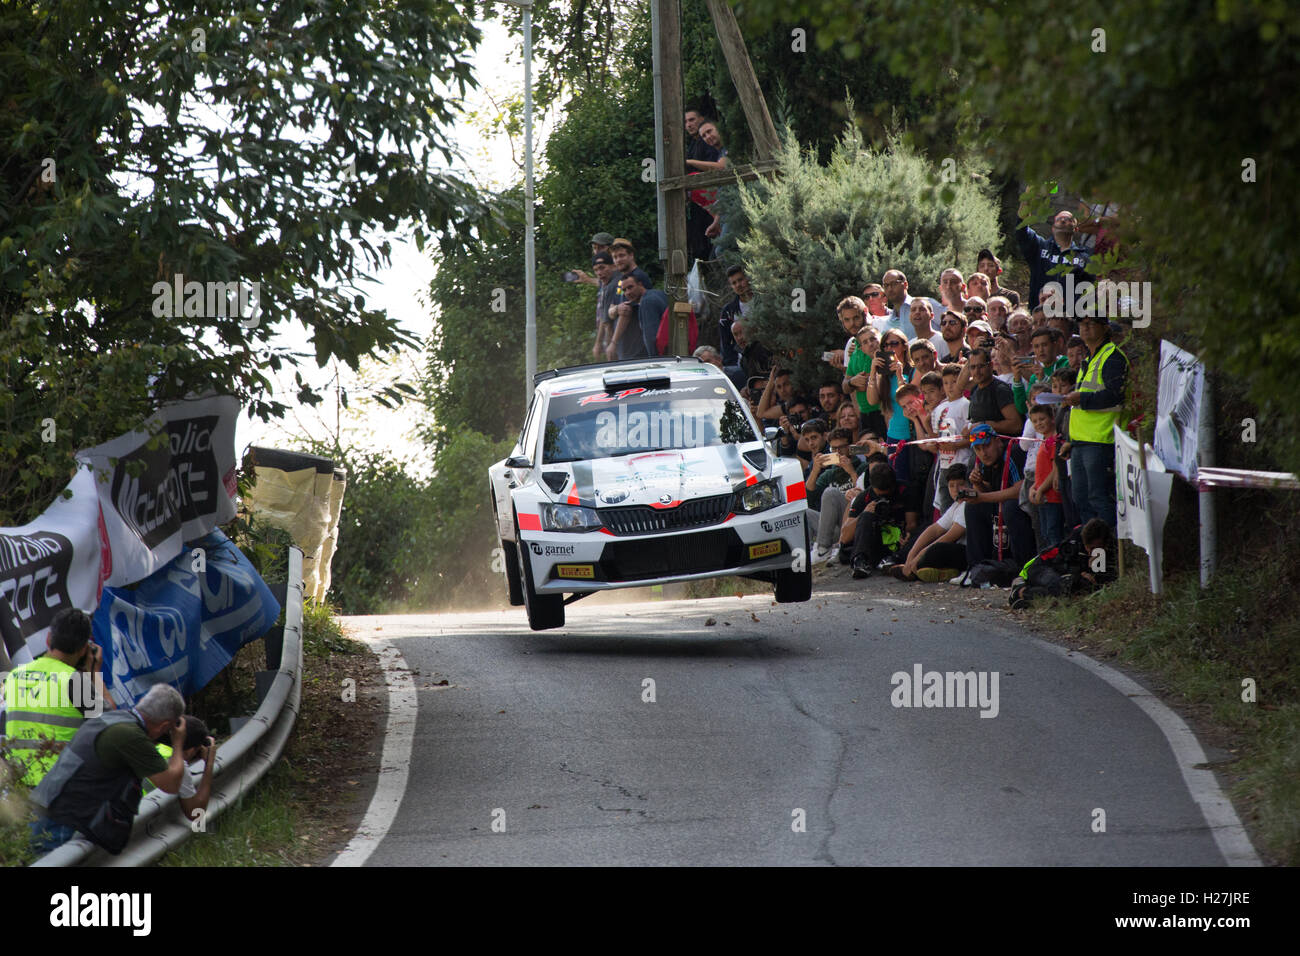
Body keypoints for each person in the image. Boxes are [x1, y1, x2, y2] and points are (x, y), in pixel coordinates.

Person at [28, 684, 189, 855]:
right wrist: (178, 742)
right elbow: (171, 784)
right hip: (65, 822)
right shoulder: (130, 735)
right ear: (164, 726)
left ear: (143, 702)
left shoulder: (113, 719)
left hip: (45, 810)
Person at [2, 608, 115, 788]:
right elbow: (115, 726)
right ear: (84, 649)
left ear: (48, 639)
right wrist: (94, 672)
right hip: (61, 788)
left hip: (21, 786)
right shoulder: (73, 681)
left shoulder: (14, 676)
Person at [1061, 313, 1129, 528]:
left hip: (1101, 440)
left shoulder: (1113, 357)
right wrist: (1071, 440)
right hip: (1082, 441)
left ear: (1105, 327)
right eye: (1082, 324)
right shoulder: (1089, 359)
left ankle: (1107, 553)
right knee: (1081, 499)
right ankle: (1094, 552)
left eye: (1091, 323)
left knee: (1098, 499)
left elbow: (1116, 395)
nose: (1085, 327)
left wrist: (1083, 398)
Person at [960, 424, 1035, 575]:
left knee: (1011, 507)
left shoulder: (1012, 453)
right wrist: (978, 484)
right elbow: (989, 491)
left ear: (998, 442)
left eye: (986, 446)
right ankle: (977, 568)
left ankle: (1023, 567)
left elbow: (1019, 491)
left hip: (1024, 509)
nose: (983, 453)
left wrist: (982, 497)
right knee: (973, 508)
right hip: (999, 507)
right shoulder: (983, 460)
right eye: (978, 449)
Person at [1009, 519, 1116, 609]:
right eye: (1087, 547)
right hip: (1040, 566)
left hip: (1056, 572)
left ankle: (1032, 599)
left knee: (1080, 588)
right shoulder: (1073, 544)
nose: (1089, 551)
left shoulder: (1110, 547)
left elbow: (1100, 579)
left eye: (1093, 548)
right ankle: (1021, 591)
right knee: (1064, 585)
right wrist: (1080, 574)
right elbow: (1061, 566)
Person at [891, 463, 973, 582]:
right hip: (957, 549)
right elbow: (934, 529)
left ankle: (916, 569)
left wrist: (919, 556)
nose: (956, 490)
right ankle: (918, 568)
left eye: (961, 485)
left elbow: (951, 535)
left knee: (936, 550)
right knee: (920, 538)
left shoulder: (968, 504)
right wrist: (911, 555)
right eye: (951, 486)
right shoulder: (956, 505)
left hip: (968, 552)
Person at [1016, 204, 1093, 308]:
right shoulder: (1039, 247)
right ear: (1053, 227)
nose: (1063, 221)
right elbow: (1021, 226)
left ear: (1076, 229)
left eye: (1069, 220)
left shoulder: (1085, 255)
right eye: (1060, 219)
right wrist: (1029, 196)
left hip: (1070, 318)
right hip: (1040, 314)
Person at [146, 715, 216, 825]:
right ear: (190, 751)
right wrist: (209, 764)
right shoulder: (178, 766)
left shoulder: (145, 745)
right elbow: (196, 814)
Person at [807, 428, 863, 562]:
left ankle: (823, 548)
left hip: (853, 524)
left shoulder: (861, 466)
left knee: (830, 492)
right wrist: (815, 470)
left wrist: (851, 472)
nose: (838, 453)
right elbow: (809, 498)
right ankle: (807, 552)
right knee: (803, 512)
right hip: (832, 527)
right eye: (834, 449)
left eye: (841, 448)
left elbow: (863, 497)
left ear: (850, 447)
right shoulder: (829, 474)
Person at [849, 463, 908, 578]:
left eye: (887, 495)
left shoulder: (905, 491)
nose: (884, 499)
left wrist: (906, 535)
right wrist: (864, 513)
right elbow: (844, 537)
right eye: (879, 495)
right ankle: (860, 562)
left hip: (897, 544)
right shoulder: (864, 497)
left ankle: (893, 559)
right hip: (874, 544)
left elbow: (912, 523)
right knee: (865, 516)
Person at [932, 364, 972, 514]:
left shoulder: (966, 404)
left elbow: (971, 437)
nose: (950, 386)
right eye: (946, 382)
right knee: (946, 507)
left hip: (962, 463)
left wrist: (955, 446)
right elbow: (937, 435)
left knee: (962, 505)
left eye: (954, 381)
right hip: (944, 465)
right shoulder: (940, 408)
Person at [1026, 403, 1064, 549]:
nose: (1038, 423)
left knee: (1054, 535)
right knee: (1046, 534)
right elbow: (1041, 472)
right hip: (1043, 497)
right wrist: (1034, 488)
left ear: (1052, 418)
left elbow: (1055, 470)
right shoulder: (1045, 441)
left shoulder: (1054, 441)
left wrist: (1040, 489)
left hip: (1052, 497)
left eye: (1042, 419)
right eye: (1034, 421)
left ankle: (1058, 566)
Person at [963, 347, 1022, 436]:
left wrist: (986, 425)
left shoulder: (1000, 390)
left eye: (981, 366)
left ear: (990, 366)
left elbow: (1017, 425)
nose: (977, 371)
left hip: (1001, 447)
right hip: (979, 446)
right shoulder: (975, 389)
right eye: (973, 367)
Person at [1011, 327, 1069, 415]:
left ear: (1054, 345)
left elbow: (1061, 398)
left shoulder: (1066, 365)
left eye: (1044, 345)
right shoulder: (1035, 377)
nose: (1041, 350)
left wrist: (1043, 379)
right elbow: (1022, 408)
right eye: (1036, 346)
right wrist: (1017, 379)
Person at [613, 268, 668, 359]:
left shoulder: (647, 302)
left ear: (640, 284)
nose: (628, 293)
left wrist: (654, 361)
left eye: (630, 287)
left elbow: (651, 338)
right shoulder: (659, 293)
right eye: (624, 290)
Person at [718, 264, 753, 367]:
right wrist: (732, 365)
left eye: (740, 280)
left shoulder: (762, 303)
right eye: (734, 283)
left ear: (747, 279)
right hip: (741, 364)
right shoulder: (728, 312)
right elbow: (726, 344)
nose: (738, 285)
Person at [587, 252, 620, 358]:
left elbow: (607, 324)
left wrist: (611, 347)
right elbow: (603, 317)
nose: (599, 273)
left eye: (602, 268)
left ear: (613, 266)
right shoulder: (607, 284)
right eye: (596, 270)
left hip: (620, 342)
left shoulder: (612, 286)